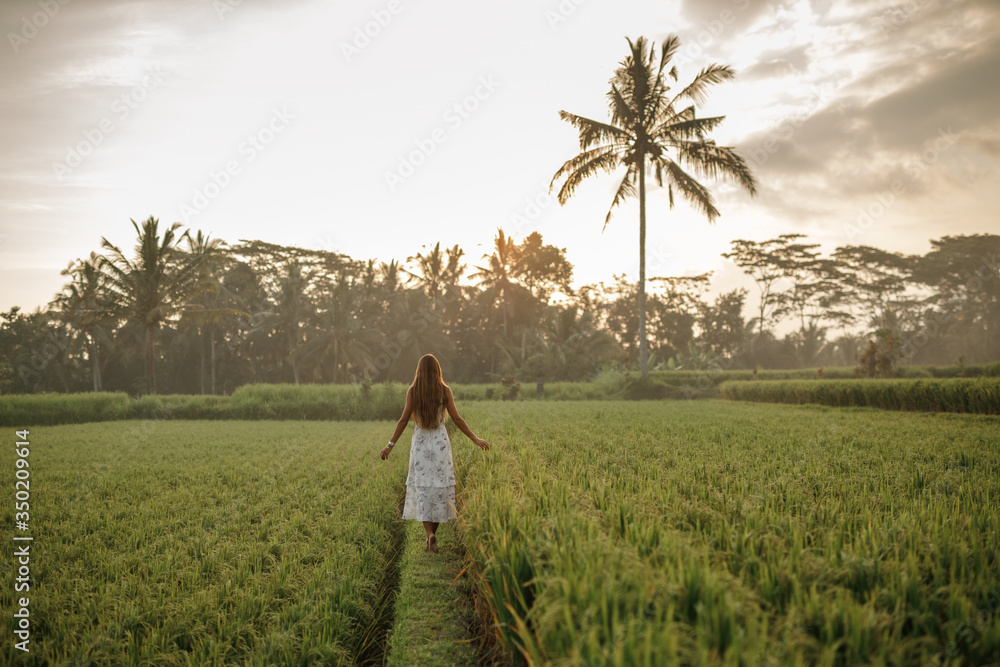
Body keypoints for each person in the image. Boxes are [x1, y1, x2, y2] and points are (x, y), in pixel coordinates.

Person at [380, 354, 489, 552]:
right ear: (437, 370)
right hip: (440, 444)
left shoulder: (413, 392)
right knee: (439, 489)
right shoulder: (444, 391)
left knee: (423, 489)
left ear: (419, 370)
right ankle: (433, 535)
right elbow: (457, 419)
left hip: (421, 445)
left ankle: (429, 534)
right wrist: (476, 439)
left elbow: (403, 420)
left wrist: (390, 445)